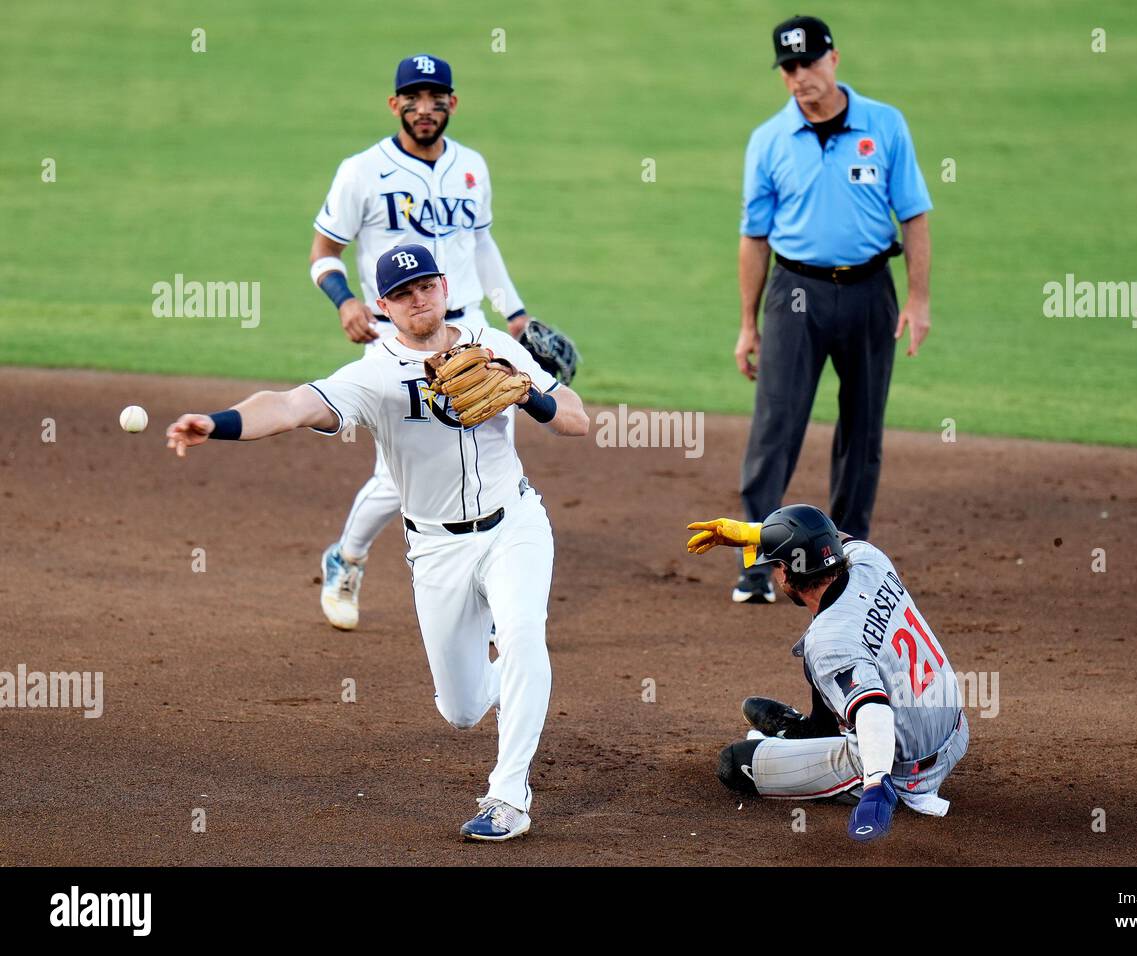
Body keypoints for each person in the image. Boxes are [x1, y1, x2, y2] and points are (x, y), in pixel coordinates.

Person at [166, 243, 589, 841]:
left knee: (523, 636)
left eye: (426, 288)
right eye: (401, 295)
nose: (418, 301)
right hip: (437, 549)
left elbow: (576, 416)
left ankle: (508, 794)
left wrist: (530, 395)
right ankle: (519, 673)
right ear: (385, 307)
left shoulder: (493, 343)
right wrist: (218, 423)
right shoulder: (373, 375)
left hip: (515, 524)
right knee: (463, 709)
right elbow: (287, 405)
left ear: (444, 287)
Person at [310, 53, 577, 631]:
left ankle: (496, 590)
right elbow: (322, 255)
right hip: (397, 332)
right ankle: (347, 557)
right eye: (413, 97)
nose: (424, 108)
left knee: (488, 442)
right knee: (396, 472)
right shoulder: (360, 172)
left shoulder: (472, 167)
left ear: (452, 103)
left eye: (436, 98)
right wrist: (346, 302)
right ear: (394, 104)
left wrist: (516, 313)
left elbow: (482, 245)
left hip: (470, 330)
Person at [732, 16, 933, 604]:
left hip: (872, 290)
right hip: (795, 293)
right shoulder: (769, 140)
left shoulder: (885, 125)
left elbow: (914, 214)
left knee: (863, 425)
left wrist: (918, 299)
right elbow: (754, 236)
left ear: (834, 59)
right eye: (789, 68)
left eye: (809, 64)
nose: (800, 78)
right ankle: (756, 561)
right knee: (777, 423)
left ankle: (850, 557)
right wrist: (748, 323)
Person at [686, 505, 967, 842]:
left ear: (788, 572)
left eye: (774, 564)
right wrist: (756, 532)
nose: (774, 575)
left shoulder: (830, 639)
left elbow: (873, 710)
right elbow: (832, 537)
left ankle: (865, 771)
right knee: (823, 658)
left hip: (904, 767)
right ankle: (816, 731)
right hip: (952, 730)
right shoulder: (869, 560)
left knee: (736, 763)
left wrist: (877, 784)